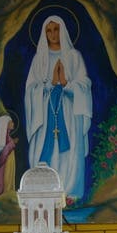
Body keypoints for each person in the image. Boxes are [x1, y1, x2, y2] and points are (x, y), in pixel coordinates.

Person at [24, 14, 92, 201]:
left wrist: (66, 84)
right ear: (44, 33)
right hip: (45, 113)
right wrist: (51, 82)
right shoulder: (40, 58)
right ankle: (46, 191)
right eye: (48, 30)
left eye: (56, 29)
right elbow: (31, 88)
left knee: (69, 152)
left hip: (69, 112)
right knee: (48, 149)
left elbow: (85, 84)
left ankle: (69, 192)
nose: (53, 34)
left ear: (62, 30)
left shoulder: (73, 56)